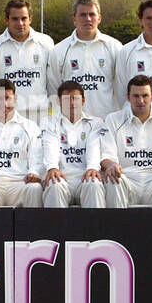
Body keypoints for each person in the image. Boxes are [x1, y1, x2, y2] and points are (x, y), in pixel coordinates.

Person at [98, 75, 152, 209]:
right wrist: (111, 165)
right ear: (128, 97)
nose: (140, 101)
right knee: (112, 177)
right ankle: (115, 229)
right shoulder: (113, 119)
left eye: (145, 95)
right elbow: (106, 156)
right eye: (136, 96)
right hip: (127, 178)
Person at [47, 0, 123, 120]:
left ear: (99, 18)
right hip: (72, 124)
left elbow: (121, 87)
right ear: (74, 19)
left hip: (105, 123)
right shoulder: (59, 51)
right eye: (83, 15)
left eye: (92, 14)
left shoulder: (115, 47)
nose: (88, 19)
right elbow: (54, 92)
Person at [0, 79, 45, 208]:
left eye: (8, 98)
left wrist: (34, 172)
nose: (4, 104)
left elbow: (37, 157)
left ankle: (32, 229)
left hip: (20, 182)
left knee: (35, 188)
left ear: (15, 98)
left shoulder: (30, 127)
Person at [0, 0, 54, 127]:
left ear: (30, 19)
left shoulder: (46, 43)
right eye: (15, 19)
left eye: (24, 18)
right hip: (9, 116)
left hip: (40, 116)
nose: (20, 23)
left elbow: (52, 82)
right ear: (6, 20)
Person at [41, 81, 104, 209]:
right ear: (59, 101)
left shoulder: (95, 123)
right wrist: (52, 167)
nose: (71, 103)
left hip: (84, 176)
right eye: (66, 99)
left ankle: (96, 229)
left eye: (75, 98)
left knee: (94, 183)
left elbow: (94, 147)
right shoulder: (48, 122)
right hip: (62, 177)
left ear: (83, 100)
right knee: (54, 183)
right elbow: (50, 145)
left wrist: (92, 167)